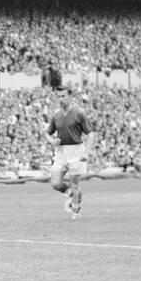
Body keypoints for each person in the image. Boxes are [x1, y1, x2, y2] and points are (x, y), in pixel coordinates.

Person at [46, 87, 94, 219]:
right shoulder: (56, 115)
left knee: (74, 184)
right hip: (61, 151)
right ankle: (72, 194)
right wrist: (52, 141)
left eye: (63, 96)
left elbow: (90, 134)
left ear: (70, 97)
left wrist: (87, 152)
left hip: (76, 151)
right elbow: (46, 133)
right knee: (55, 183)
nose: (61, 99)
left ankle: (76, 211)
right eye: (59, 96)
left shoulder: (79, 113)